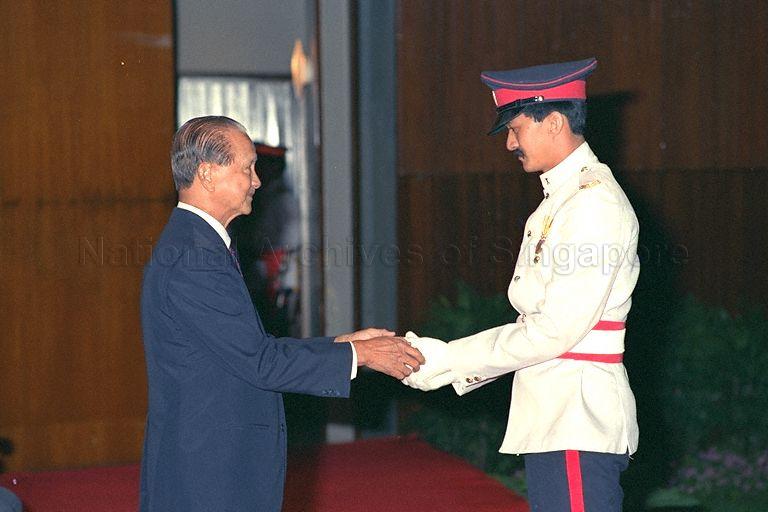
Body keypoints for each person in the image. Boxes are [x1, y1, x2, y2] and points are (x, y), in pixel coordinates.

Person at [139, 116, 424, 512]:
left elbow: (244, 349)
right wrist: (364, 356)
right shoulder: (195, 257)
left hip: (210, 459)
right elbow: (260, 362)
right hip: (210, 471)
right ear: (207, 173)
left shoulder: (200, 243)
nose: (257, 180)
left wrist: (341, 344)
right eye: (248, 168)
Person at [403, 58, 640, 511]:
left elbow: (552, 330)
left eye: (515, 128)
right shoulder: (565, 200)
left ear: (553, 123)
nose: (510, 142)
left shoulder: (593, 206)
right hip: (558, 415)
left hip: (577, 417)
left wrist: (451, 359)